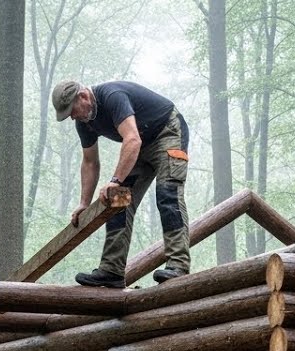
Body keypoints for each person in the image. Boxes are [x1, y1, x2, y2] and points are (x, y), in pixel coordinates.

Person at [52, 79, 191, 287]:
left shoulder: (112, 96)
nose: (72, 117)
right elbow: (90, 162)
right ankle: (112, 270)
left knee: (167, 194)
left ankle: (178, 266)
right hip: (140, 145)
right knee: (118, 201)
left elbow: (132, 139)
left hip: (168, 132)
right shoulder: (84, 123)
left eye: (72, 111)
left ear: (83, 96)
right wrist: (84, 203)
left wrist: (115, 180)